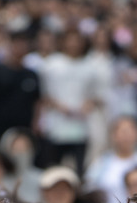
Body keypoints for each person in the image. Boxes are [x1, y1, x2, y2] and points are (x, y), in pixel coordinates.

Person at [40, 29, 104, 176]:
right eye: (70, 39)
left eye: (77, 40)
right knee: (53, 170)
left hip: (80, 129)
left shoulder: (91, 67)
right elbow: (43, 95)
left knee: (79, 171)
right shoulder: (50, 64)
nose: (73, 44)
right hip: (56, 127)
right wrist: (58, 106)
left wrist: (88, 105)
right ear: (63, 41)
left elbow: (97, 96)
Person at [0, 29, 42, 145]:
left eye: (24, 44)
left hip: (23, 125)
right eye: (17, 44)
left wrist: (36, 123)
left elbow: (37, 101)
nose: (20, 48)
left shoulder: (32, 75)